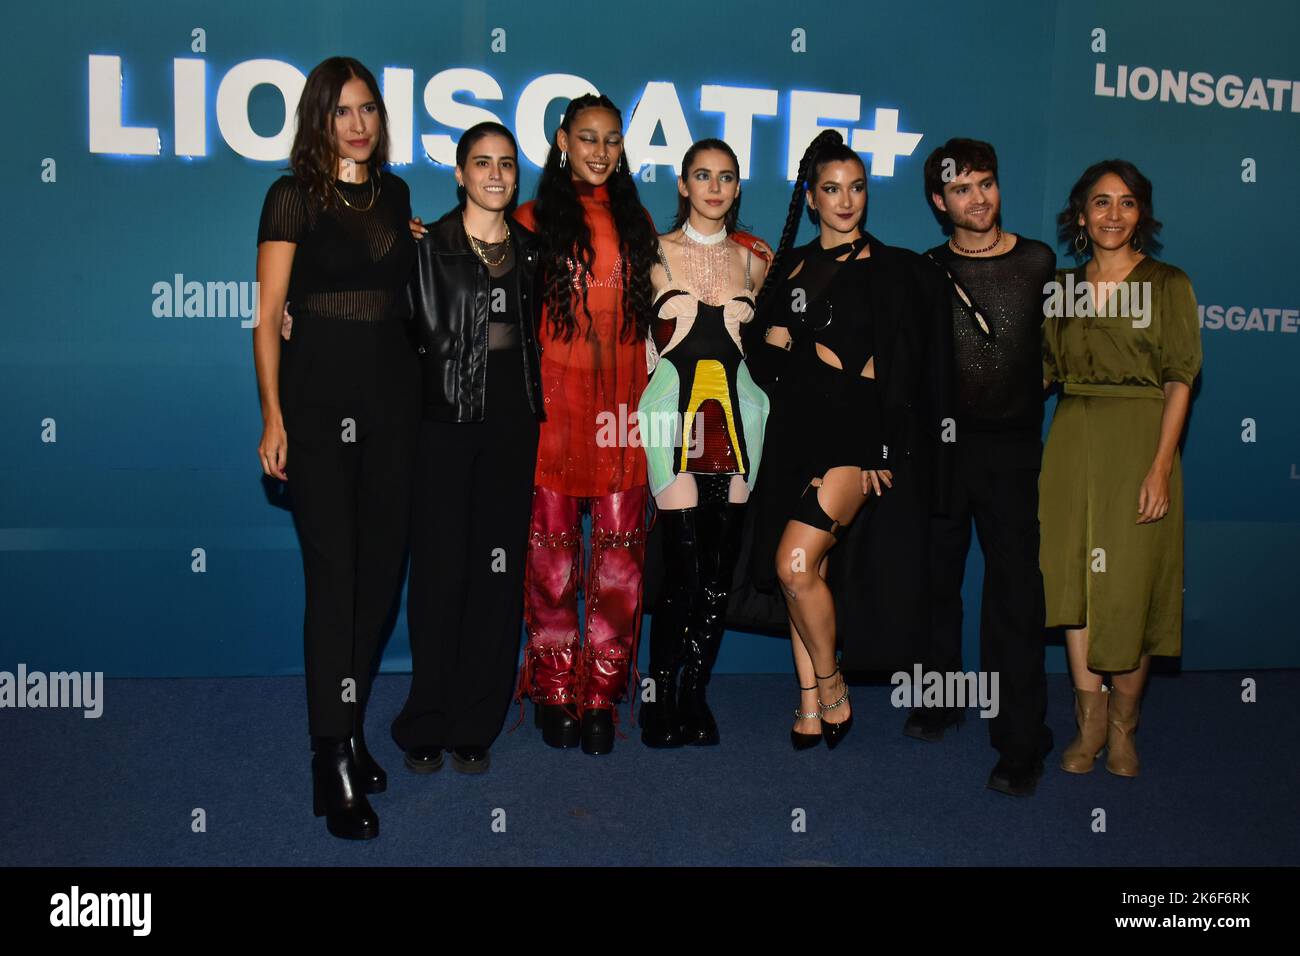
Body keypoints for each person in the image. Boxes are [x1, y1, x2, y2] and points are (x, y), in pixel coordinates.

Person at [254, 57, 418, 840]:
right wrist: (273, 415)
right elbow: (268, 315)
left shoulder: (398, 196)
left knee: (380, 581)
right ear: (319, 120)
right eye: (341, 112)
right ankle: (332, 756)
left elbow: (405, 289)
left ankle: (349, 728)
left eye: (368, 110)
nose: (357, 124)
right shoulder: (291, 197)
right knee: (336, 582)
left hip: (393, 407)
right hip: (317, 411)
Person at [745, 129, 949, 750]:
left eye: (856, 188)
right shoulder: (796, 267)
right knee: (808, 573)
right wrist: (776, 345)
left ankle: (832, 684)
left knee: (795, 562)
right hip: (794, 434)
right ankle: (808, 703)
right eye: (831, 190)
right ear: (811, 198)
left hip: (854, 441)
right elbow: (764, 356)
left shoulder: (893, 270)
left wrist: (881, 449)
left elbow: (906, 373)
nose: (846, 200)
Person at [388, 122, 544, 776]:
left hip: (514, 428)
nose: (495, 174)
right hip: (443, 426)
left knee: (498, 577)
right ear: (460, 173)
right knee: (440, 574)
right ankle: (427, 719)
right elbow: (386, 331)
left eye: (506, 163)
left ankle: (476, 722)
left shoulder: (535, 252)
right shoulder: (427, 247)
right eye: (482, 162)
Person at [1042, 159, 1200, 778]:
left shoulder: (1168, 284)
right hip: (1072, 443)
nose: (1113, 214)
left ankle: (1126, 729)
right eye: (1100, 202)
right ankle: (1090, 724)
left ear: (1142, 214)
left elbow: (1180, 378)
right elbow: (1042, 375)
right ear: (1080, 215)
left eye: (1126, 202)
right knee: (1076, 585)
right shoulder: (1061, 287)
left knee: (1131, 586)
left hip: (1140, 444)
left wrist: (1161, 466)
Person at [512, 95, 659, 755]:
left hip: (623, 413)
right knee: (551, 561)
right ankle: (550, 690)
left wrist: (741, 244)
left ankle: (600, 695)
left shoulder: (636, 221)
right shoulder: (532, 219)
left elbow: (687, 265)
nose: (600, 151)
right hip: (554, 413)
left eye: (612, 140)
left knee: (621, 561)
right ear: (562, 141)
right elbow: (471, 262)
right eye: (588, 138)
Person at [913, 137, 1055, 796]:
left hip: (1012, 450)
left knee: (1015, 593)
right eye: (962, 188)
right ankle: (940, 698)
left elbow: (1056, 354)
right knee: (936, 577)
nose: (979, 198)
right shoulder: (925, 270)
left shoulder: (1037, 262)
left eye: (987, 183)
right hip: (941, 447)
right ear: (940, 202)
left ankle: (1020, 739)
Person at [637, 139, 771, 748]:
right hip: (671, 417)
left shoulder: (755, 263)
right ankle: (658, 693)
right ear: (683, 186)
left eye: (726, 177)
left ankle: (694, 693)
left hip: (739, 422)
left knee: (719, 572)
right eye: (702, 176)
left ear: (737, 188)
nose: (714, 187)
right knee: (684, 567)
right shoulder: (652, 254)